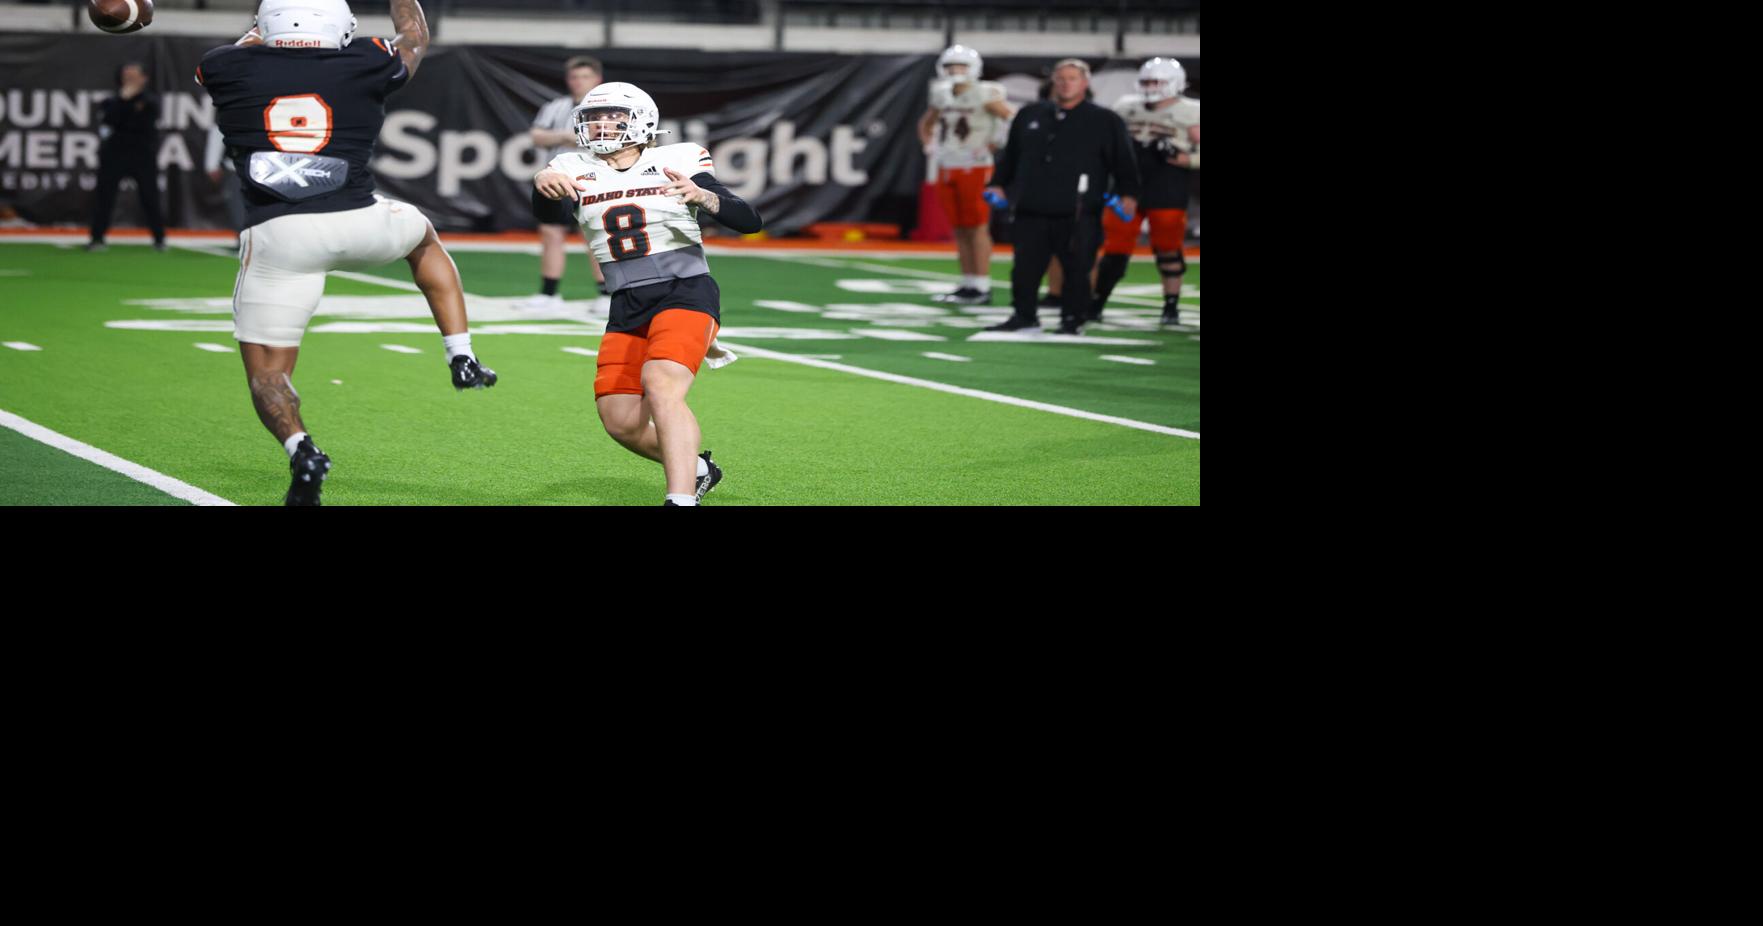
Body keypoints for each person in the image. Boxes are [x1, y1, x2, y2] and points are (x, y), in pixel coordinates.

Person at [196, 0, 497, 506]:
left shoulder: (225, 66)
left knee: (269, 375)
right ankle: (461, 354)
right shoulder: (368, 57)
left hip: (280, 235)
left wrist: (261, 31)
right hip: (363, 222)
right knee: (423, 238)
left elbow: (239, 48)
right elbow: (414, 36)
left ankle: (302, 450)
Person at [533, 82, 763, 506]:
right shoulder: (570, 164)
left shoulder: (677, 158)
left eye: (613, 116)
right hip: (626, 301)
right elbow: (548, 214)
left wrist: (704, 196)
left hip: (685, 290)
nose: (601, 125)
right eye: (593, 118)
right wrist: (543, 185)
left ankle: (680, 499)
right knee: (619, 420)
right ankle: (697, 469)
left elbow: (749, 220)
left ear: (642, 120)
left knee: (661, 385)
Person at [985, 59, 1138, 335]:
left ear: (1085, 83)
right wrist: (998, 183)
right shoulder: (1029, 115)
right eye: (1062, 78)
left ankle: (1073, 318)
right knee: (1024, 268)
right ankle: (1024, 315)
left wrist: (1128, 193)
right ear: (1053, 83)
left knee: (1078, 268)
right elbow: (1011, 156)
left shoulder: (1105, 120)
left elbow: (1123, 162)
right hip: (1031, 205)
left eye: (1073, 78)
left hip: (1079, 209)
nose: (1066, 84)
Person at [1093, 57, 1200, 326]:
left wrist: (1189, 160)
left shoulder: (1191, 111)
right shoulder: (1126, 107)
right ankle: (1096, 302)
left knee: (1167, 247)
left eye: (1157, 82)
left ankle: (1171, 305)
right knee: (1115, 248)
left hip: (1167, 184)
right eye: (1148, 81)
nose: (1151, 87)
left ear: (1174, 84)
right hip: (1126, 185)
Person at [917, 44, 1012, 305]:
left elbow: (1011, 118)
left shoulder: (986, 93)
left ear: (974, 69)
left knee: (977, 227)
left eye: (961, 66)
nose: (955, 71)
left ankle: (981, 285)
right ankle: (968, 283)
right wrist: (930, 145)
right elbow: (926, 123)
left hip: (976, 165)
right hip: (948, 166)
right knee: (959, 228)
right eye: (950, 66)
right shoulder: (941, 93)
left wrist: (997, 141)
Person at [517, 55, 608, 311]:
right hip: (558, 178)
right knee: (551, 232)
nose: (579, 82)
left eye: (585, 77)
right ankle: (549, 293)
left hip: (594, 179)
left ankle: (606, 293)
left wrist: (577, 139)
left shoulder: (608, 107)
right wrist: (566, 136)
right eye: (575, 77)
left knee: (595, 235)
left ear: (598, 79)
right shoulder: (556, 106)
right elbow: (537, 135)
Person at [89, 63, 167, 252]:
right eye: (126, 76)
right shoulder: (111, 101)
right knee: (104, 197)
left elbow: (144, 123)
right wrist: (124, 100)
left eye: (134, 76)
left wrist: (126, 111)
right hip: (114, 155)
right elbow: (109, 120)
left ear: (144, 79)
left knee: (150, 196)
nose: (129, 80)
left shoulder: (150, 101)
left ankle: (159, 239)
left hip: (142, 156)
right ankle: (97, 238)